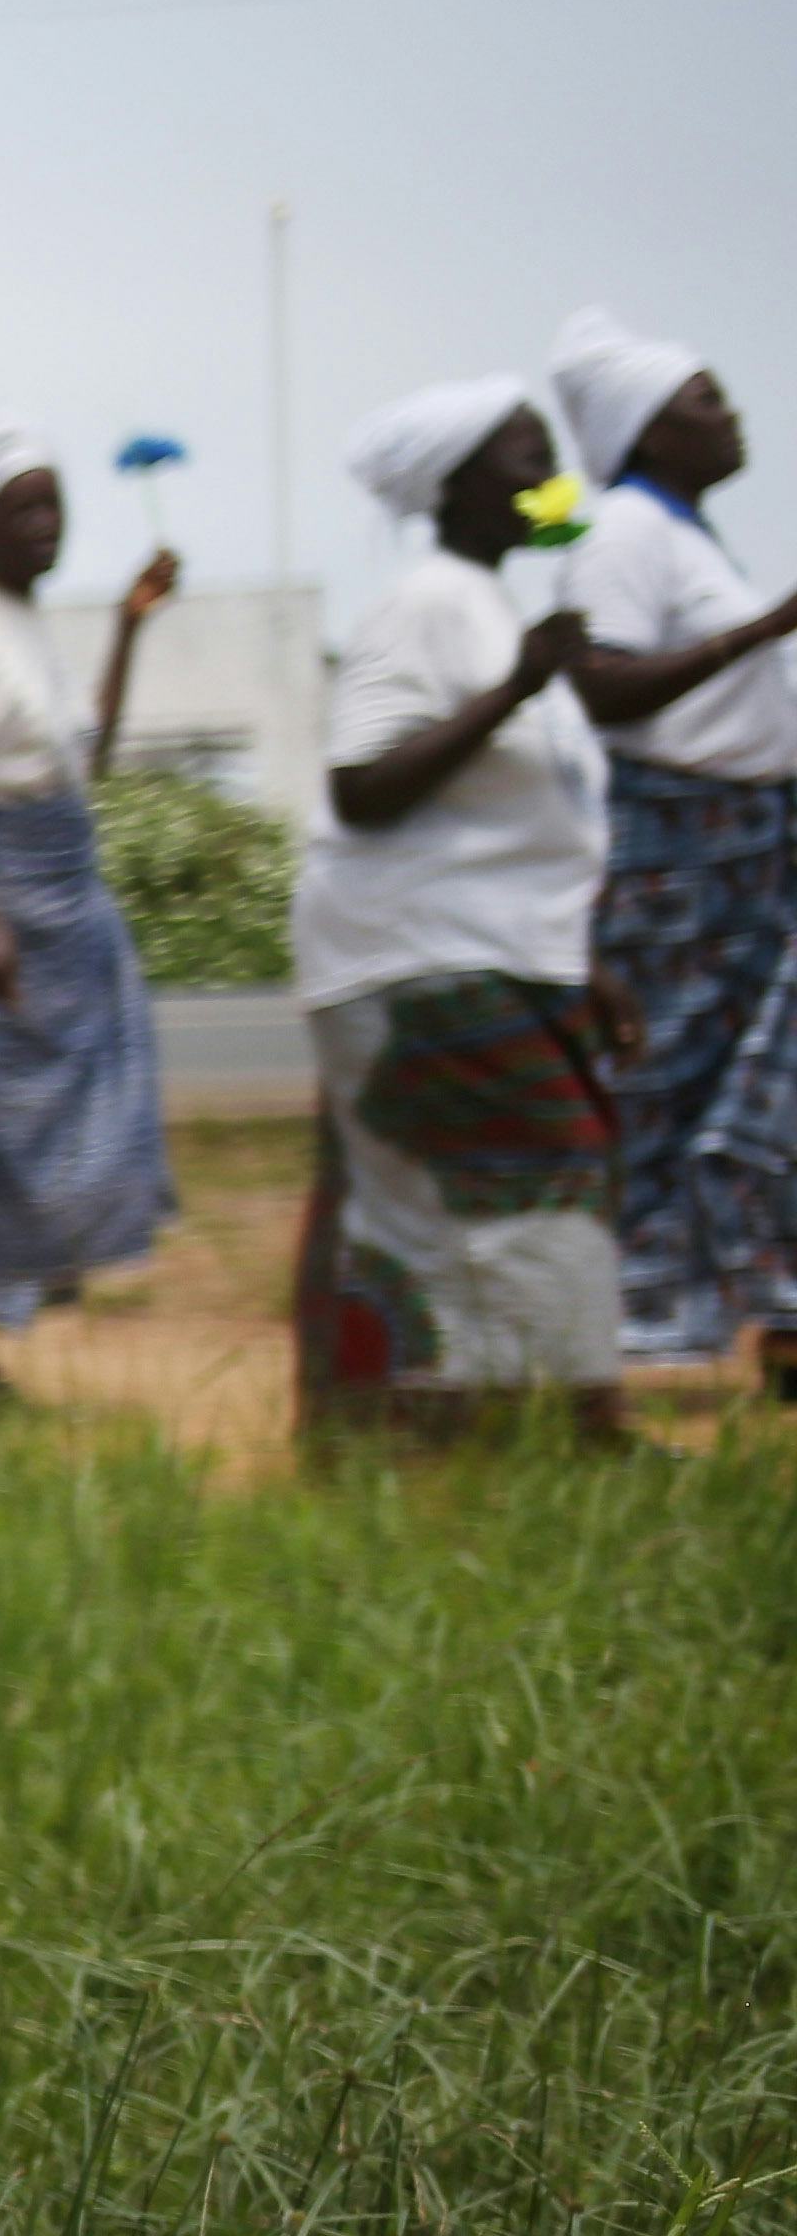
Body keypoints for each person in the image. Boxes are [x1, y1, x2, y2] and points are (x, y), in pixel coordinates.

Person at [290, 379, 623, 1444]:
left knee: (429, 1213)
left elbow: (530, 826)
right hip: (421, 957)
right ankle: (566, 1430)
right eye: (525, 458)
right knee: (530, 1183)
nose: (547, 477)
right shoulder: (427, 603)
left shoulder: (492, 608)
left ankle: (383, 1434)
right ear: (455, 485)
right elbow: (362, 784)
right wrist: (516, 689)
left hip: (491, 951)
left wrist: (585, 961)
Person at [0, 409, 182, 1405]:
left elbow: (79, 760)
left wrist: (130, 627)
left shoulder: (28, 629)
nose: (44, 523)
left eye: (52, 503)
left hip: (57, 889)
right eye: (21, 507)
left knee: (68, 1123)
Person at [551, 306, 797, 1394]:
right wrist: (766, 628)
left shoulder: (684, 532)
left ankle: (757, 1306)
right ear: (647, 432)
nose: (730, 414)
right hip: (675, 851)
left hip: (744, 845)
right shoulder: (625, 535)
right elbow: (597, 684)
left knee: (746, 1081)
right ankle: (651, 1316)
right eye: (705, 399)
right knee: (668, 1085)